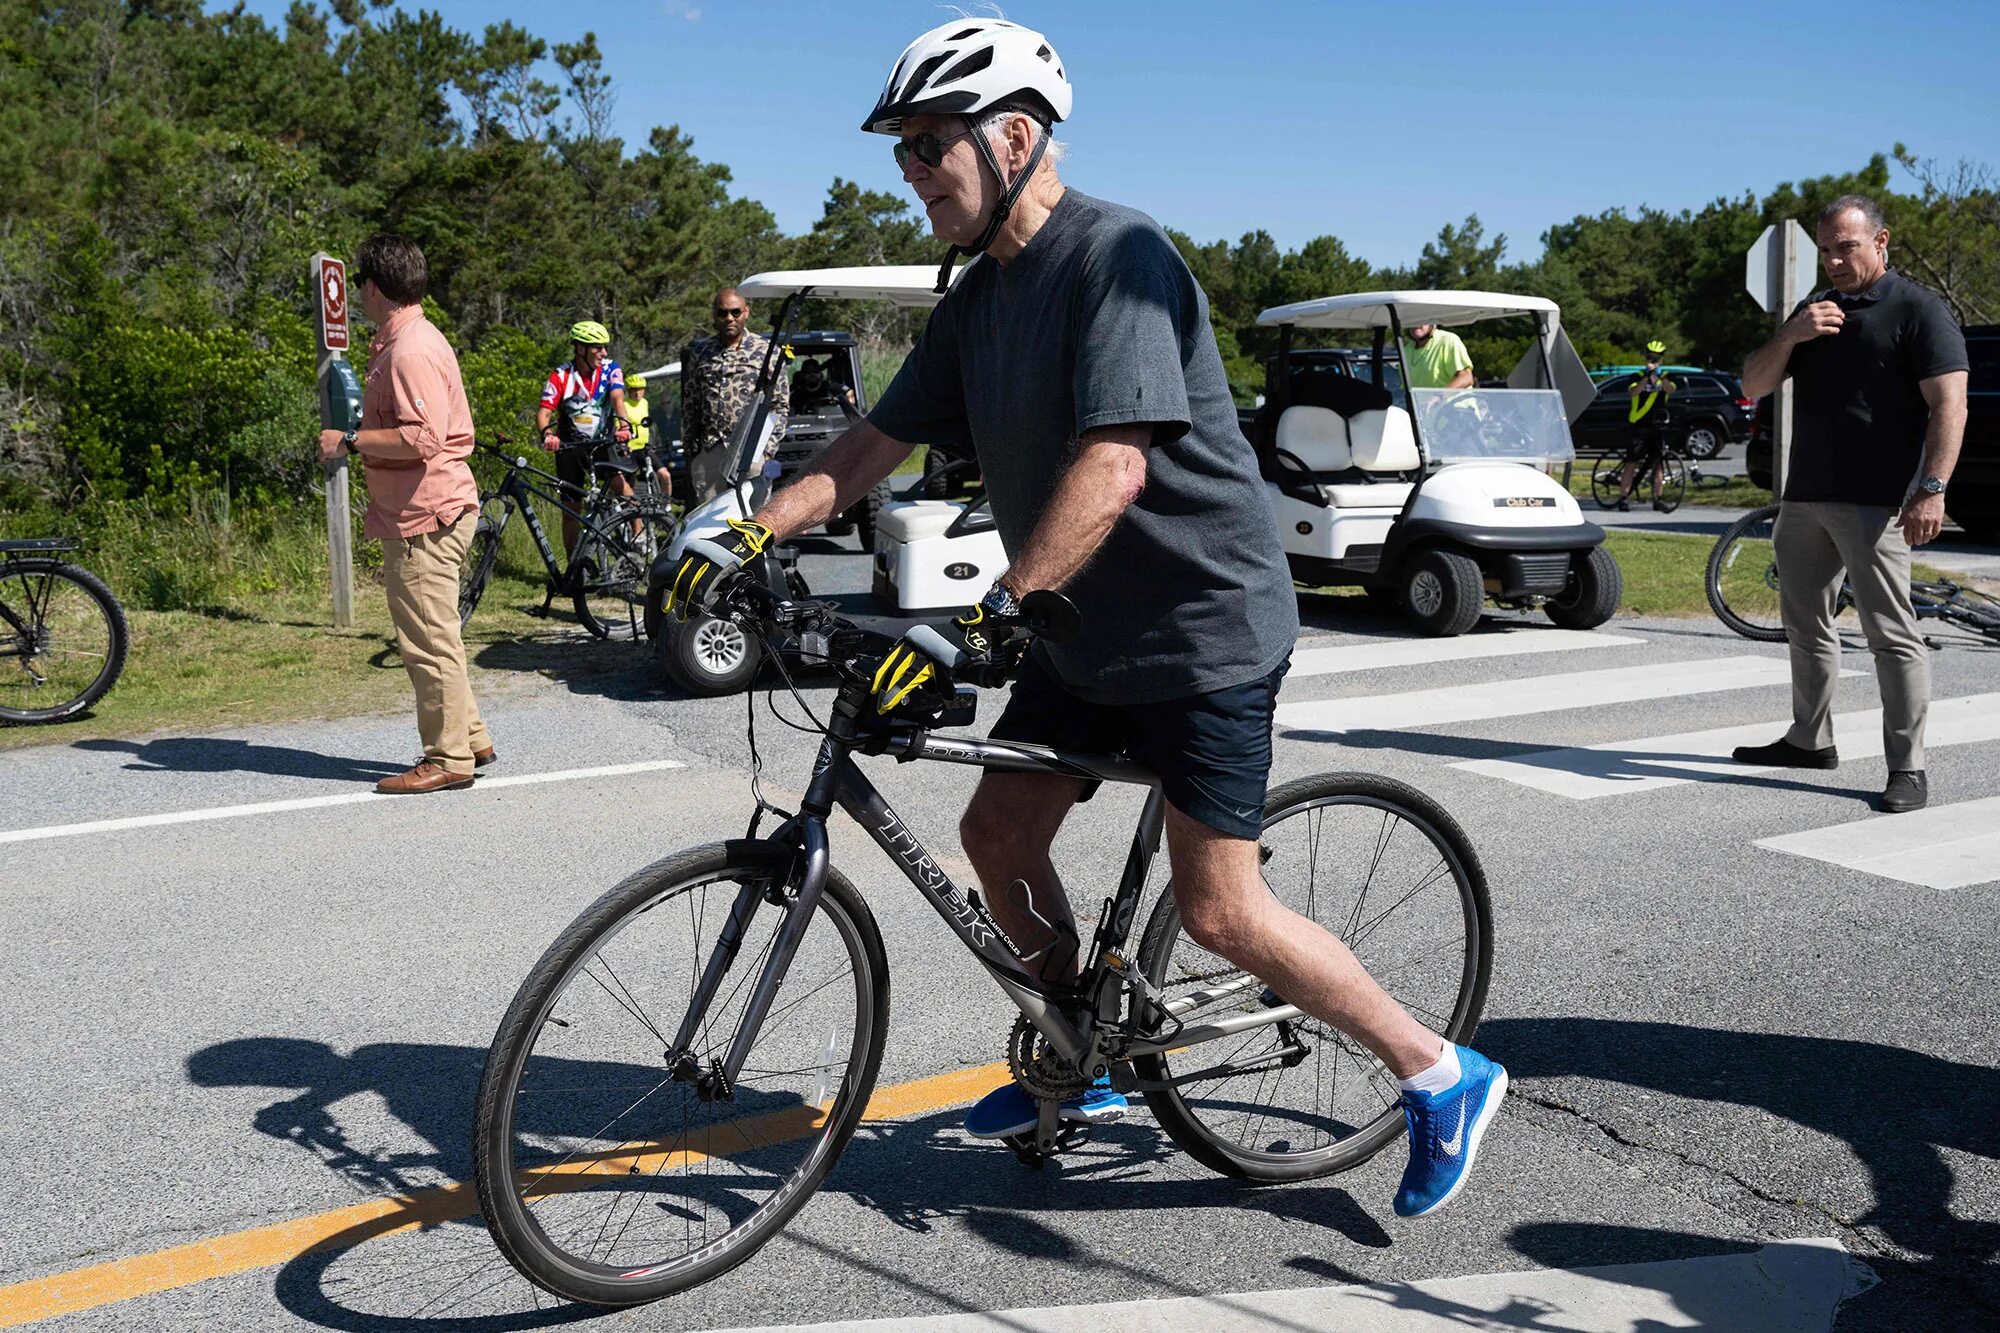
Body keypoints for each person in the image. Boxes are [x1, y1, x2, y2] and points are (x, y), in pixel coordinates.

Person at [665, 17, 1506, 1218]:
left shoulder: (1122, 260)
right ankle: (1085, 1052)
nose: (908, 171)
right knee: (999, 839)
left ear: (1013, 137)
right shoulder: (976, 298)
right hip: (1082, 627)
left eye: (925, 144)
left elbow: (1113, 464)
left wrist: (988, 616)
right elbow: (866, 447)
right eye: (899, 150)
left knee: (1218, 908)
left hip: (1200, 627)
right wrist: (753, 526)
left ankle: (1437, 1071)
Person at [1732, 195, 1969, 813]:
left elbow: (1951, 405)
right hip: (1805, 497)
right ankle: (1810, 740)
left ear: (1881, 241)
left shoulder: (1918, 310)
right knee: (1805, 627)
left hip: (1878, 503)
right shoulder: (1816, 310)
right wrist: (1793, 331)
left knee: (1891, 635)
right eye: (1827, 249)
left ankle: (1908, 768)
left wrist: (1932, 487)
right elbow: (1752, 384)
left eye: (1848, 246)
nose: (1835, 259)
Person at [318, 233, 494, 794]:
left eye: (360, 286)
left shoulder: (410, 349)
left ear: (373, 287)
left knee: (426, 640)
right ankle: (471, 737)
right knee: (438, 632)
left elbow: (421, 438)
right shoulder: (407, 339)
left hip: (425, 517)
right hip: (429, 510)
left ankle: (447, 759)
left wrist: (348, 441)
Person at [680, 289, 790, 505]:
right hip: (711, 450)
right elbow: (689, 405)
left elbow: (780, 405)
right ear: (714, 315)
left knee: (754, 520)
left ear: (746, 312)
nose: (729, 318)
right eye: (722, 313)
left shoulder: (767, 351)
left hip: (752, 450)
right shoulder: (700, 353)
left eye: (735, 312)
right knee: (708, 523)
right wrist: (692, 455)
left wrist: (767, 451)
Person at [536, 320, 633, 554]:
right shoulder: (561, 375)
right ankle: (573, 565)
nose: (604, 352)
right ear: (581, 348)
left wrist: (623, 427)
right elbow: (543, 412)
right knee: (571, 510)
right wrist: (548, 434)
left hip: (601, 443)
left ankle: (640, 540)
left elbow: (618, 399)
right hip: (570, 448)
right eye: (597, 347)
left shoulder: (611, 368)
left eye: (604, 347)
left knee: (624, 491)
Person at [1612, 340, 1677, 512]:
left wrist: (1660, 377)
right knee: (1632, 462)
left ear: (1661, 360)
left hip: (1657, 426)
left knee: (1658, 464)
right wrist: (1646, 377)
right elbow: (1634, 392)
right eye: (1650, 358)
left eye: (1656, 359)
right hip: (1638, 425)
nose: (1653, 361)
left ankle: (1658, 498)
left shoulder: (1668, 375)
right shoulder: (1637, 375)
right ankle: (1623, 497)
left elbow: (1670, 390)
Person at [621, 373, 675, 502]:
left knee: (665, 475)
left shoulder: (645, 403)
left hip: (645, 448)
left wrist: (655, 441)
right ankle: (627, 510)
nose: (637, 393)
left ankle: (666, 506)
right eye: (634, 390)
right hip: (630, 450)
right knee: (629, 483)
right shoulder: (624, 405)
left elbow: (650, 425)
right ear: (628, 391)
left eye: (640, 389)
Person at [1402, 322, 1475, 390]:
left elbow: (1466, 378)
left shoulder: (1448, 340)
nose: (1416, 323)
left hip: (1454, 403)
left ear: (1432, 322)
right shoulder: (1406, 350)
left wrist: (1440, 397)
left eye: (1421, 320)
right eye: (1412, 320)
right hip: (1422, 404)